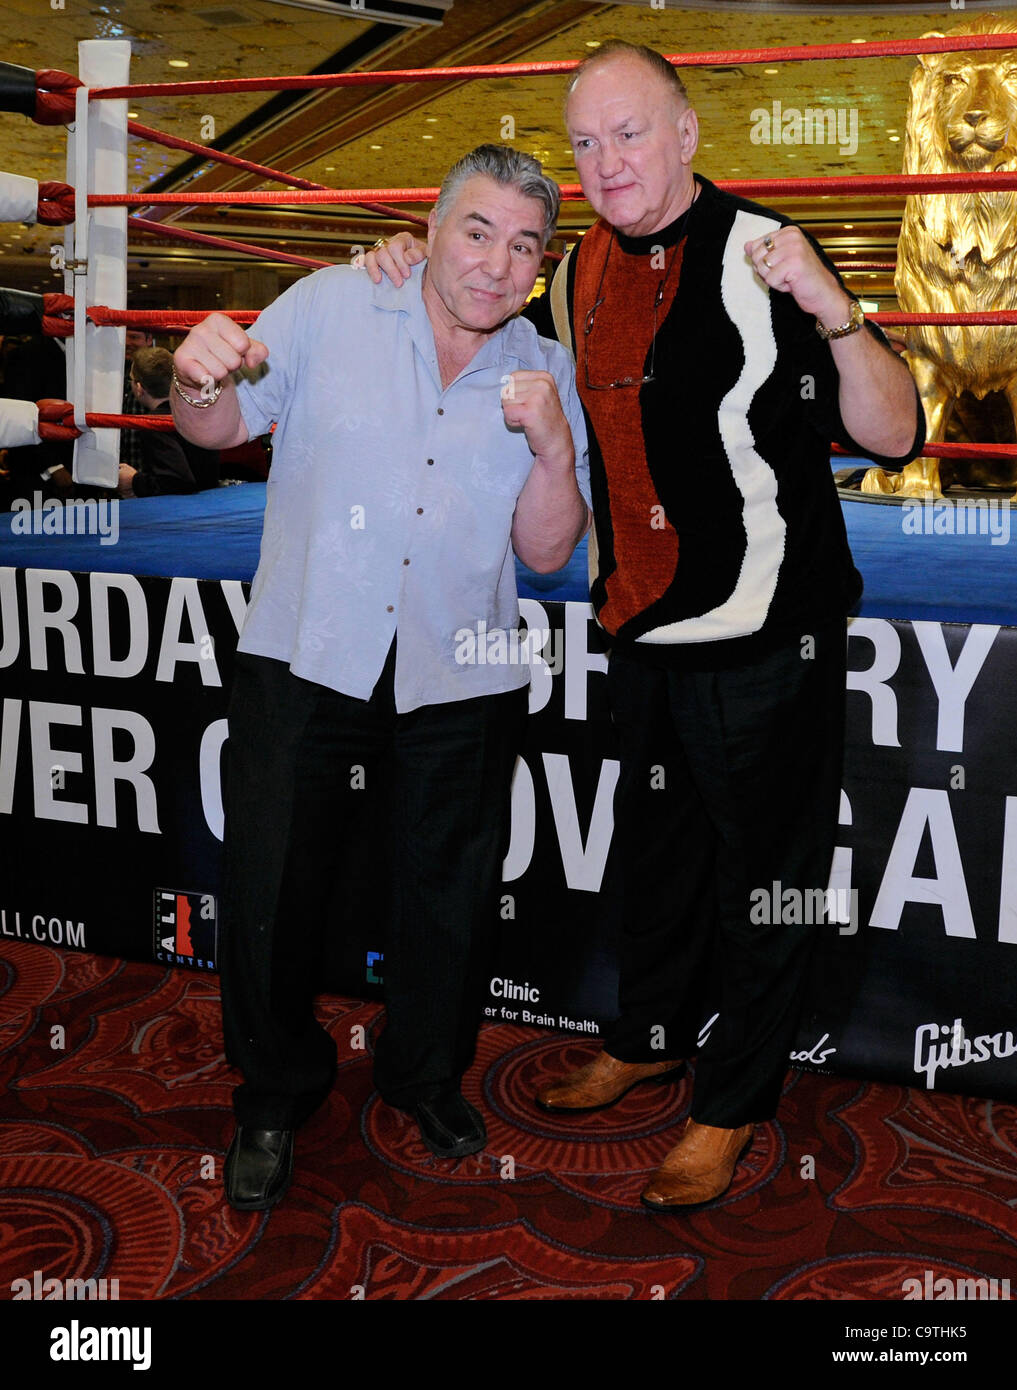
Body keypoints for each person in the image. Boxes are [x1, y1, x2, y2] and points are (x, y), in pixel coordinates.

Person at [365, 41, 925, 1209]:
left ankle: (731, 1102)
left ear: (685, 136)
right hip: (641, 631)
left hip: (774, 635)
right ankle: (651, 1033)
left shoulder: (766, 251)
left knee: (767, 881)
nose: (609, 161)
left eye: (631, 133)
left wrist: (837, 307)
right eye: (586, 141)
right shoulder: (569, 277)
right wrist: (397, 262)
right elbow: (472, 327)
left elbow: (896, 435)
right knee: (660, 862)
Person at [170, 144, 591, 1211]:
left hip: (465, 664)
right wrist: (192, 379)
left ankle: (424, 1075)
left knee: (448, 893)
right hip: (309, 645)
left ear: (542, 267)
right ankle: (272, 1092)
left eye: (525, 245)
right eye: (478, 231)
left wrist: (552, 450)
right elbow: (220, 431)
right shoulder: (330, 305)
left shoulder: (545, 366)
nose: (497, 264)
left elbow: (547, 553)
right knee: (270, 883)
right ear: (435, 227)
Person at [118, 347, 219, 497]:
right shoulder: (195, 411)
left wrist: (134, 480)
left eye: (131, 379)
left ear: (139, 388)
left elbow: (176, 484)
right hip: (210, 503)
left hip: (182, 512)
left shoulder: (154, 425)